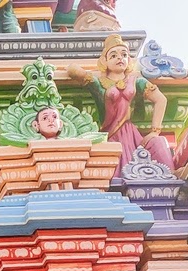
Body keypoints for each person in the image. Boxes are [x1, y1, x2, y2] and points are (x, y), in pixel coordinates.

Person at [69, 34, 174, 176]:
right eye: (113, 56)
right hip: (110, 134)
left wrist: (155, 131)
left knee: (159, 142)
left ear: (129, 60)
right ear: (104, 61)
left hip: (131, 134)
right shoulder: (99, 84)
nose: (120, 58)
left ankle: (171, 177)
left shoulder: (136, 81)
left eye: (124, 55)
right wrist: (85, 73)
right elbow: (72, 70)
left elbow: (161, 99)